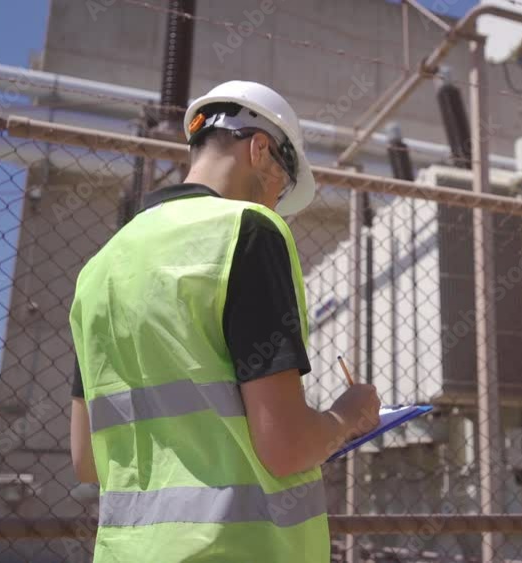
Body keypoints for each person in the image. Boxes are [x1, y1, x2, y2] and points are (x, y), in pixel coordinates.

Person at [68, 80, 380, 562]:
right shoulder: (246, 231)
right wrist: (349, 414)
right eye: (284, 180)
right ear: (260, 149)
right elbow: (287, 447)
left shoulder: (100, 268)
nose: (277, 201)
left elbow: (88, 460)